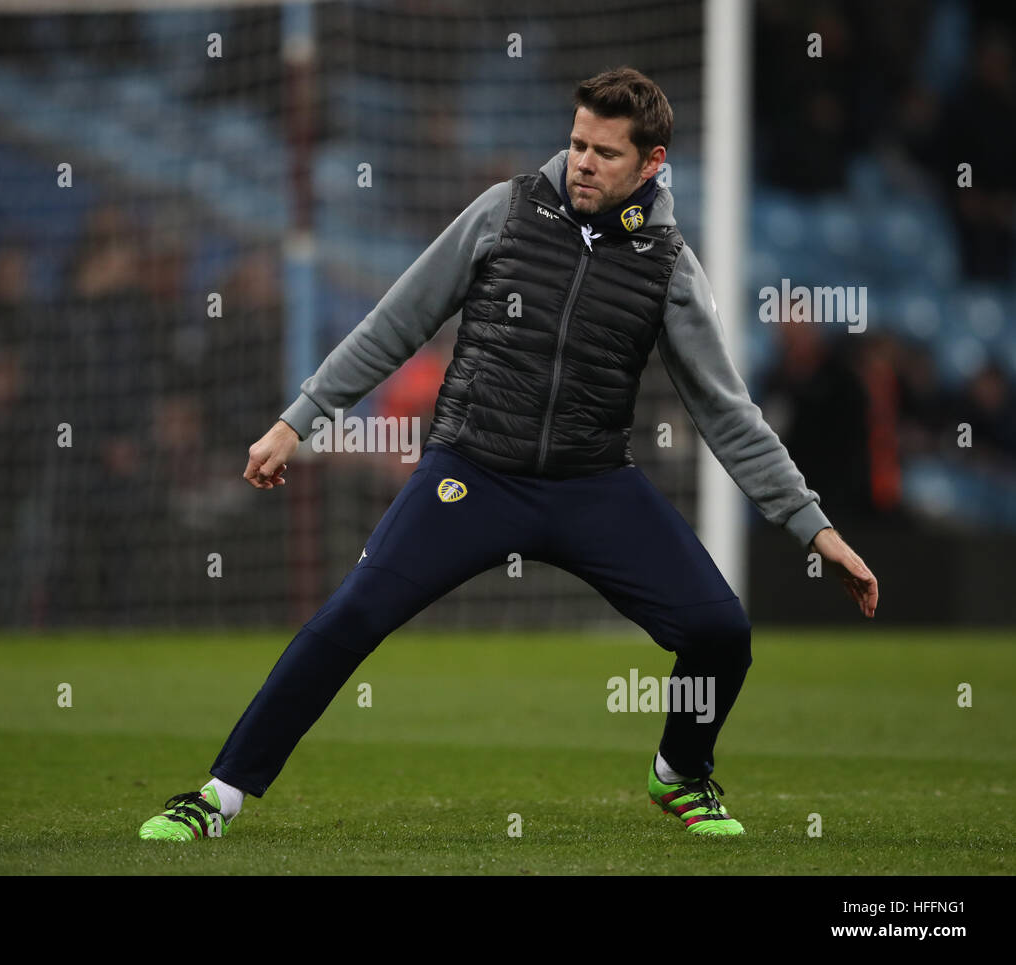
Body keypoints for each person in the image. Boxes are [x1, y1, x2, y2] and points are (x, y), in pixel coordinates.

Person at [139, 67, 879, 842]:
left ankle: (680, 772)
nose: (583, 162)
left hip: (591, 485)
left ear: (651, 163)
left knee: (722, 631)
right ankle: (217, 793)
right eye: (577, 143)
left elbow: (728, 416)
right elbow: (396, 321)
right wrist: (301, 418)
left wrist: (814, 529)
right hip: (472, 471)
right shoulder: (505, 211)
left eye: (605, 152)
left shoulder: (669, 268)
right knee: (352, 614)